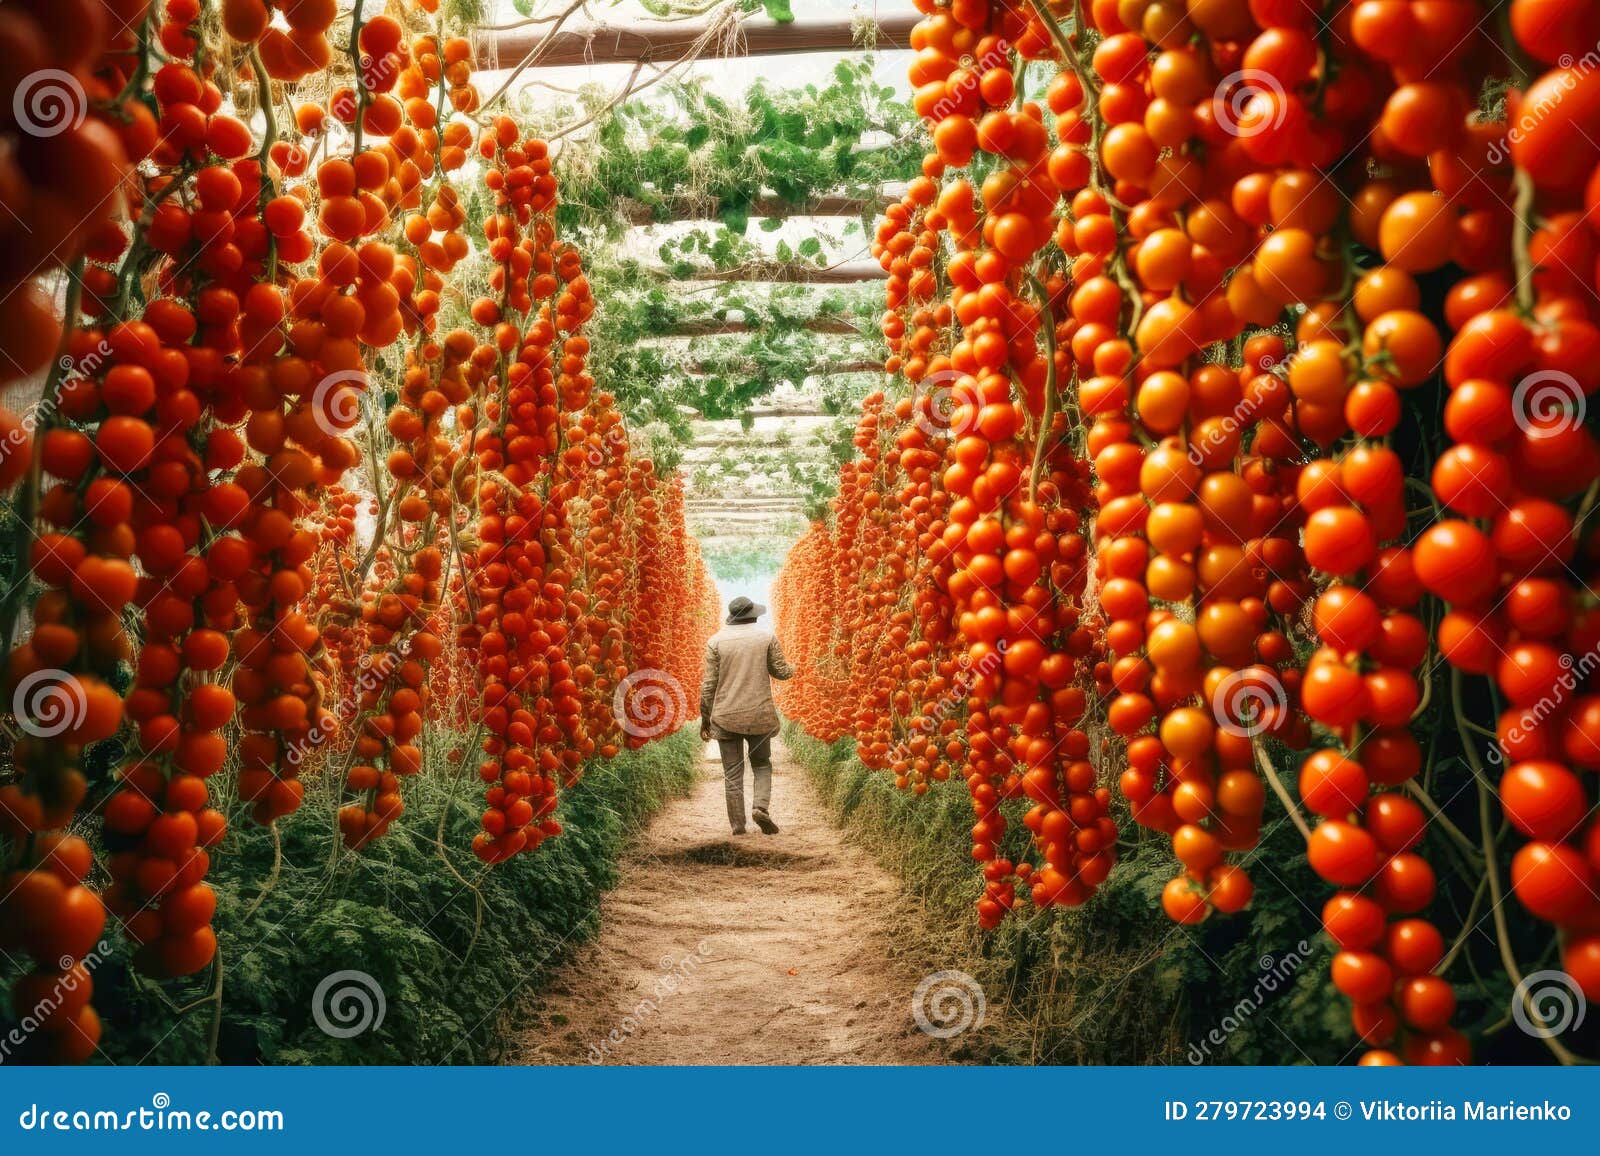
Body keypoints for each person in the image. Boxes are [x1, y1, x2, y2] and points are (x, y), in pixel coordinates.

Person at [699, 596, 794, 835]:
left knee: (732, 773)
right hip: (758, 714)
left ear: (732, 617)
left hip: (725, 715)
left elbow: (708, 685)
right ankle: (760, 807)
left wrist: (705, 718)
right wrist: (796, 667)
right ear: (753, 616)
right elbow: (781, 672)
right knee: (761, 764)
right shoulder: (766, 637)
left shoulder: (716, 641)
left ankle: (738, 827)